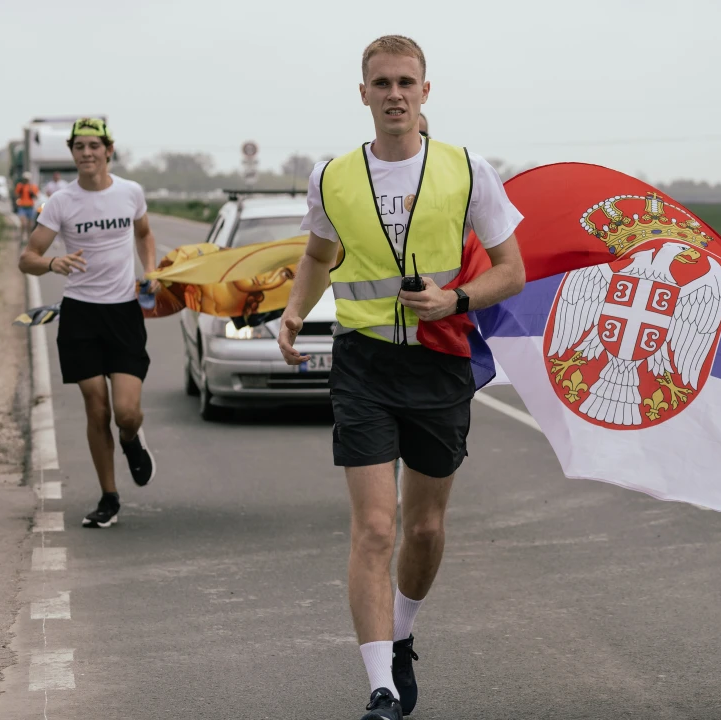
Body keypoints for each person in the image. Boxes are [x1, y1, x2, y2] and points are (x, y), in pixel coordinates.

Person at [278, 35, 524, 720]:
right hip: (363, 363)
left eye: (405, 83)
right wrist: (295, 311)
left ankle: (404, 632)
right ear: (363, 93)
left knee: (423, 529)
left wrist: (456, 299)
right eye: (381, 83)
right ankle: (380, 685)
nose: (394, 95)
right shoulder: (332, 177)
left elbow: (512, 270)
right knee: (375, 529)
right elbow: (318, 256)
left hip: (440, 359)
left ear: (425, 91)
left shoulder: (468, 170)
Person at [18, 118, 159, 529]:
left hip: (123, 312)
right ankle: (109, 497)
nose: (86, 153)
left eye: (94, 145)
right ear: (72, 153)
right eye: (79, 146)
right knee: (97, 409)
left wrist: (150, 269)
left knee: (126, 413)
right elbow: (27, 258)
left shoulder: (130, 193)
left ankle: (131, 440)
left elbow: (145, 234)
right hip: (80, 314)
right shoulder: (61, 202)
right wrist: (52, 263)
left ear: (108, 150)